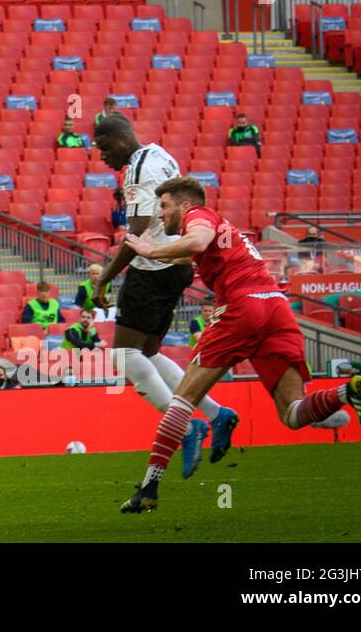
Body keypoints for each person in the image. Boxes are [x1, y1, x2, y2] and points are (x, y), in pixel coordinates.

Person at [119, 176, 361, 513]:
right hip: (276, 308)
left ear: (184, 206)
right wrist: (161, 256)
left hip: (241, 308)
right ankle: (348, 392)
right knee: (292, 413)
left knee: (182, 401)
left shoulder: (199, 217)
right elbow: (193, 254)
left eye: (165, 206)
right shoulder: (223, 228)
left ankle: (149, 489)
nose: (160, 213)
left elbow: (196, 242)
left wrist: (151, 250)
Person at [92, 114, 236, 478]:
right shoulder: (160, 155)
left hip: (153, 270)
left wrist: (104, 278)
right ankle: (218, 414)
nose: (103, 157)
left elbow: (137, 233)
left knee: (125, 356)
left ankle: (187, 429)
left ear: (122, 138)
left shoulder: (139, 169)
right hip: (179, 263)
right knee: (150, 353)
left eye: (104, 147)